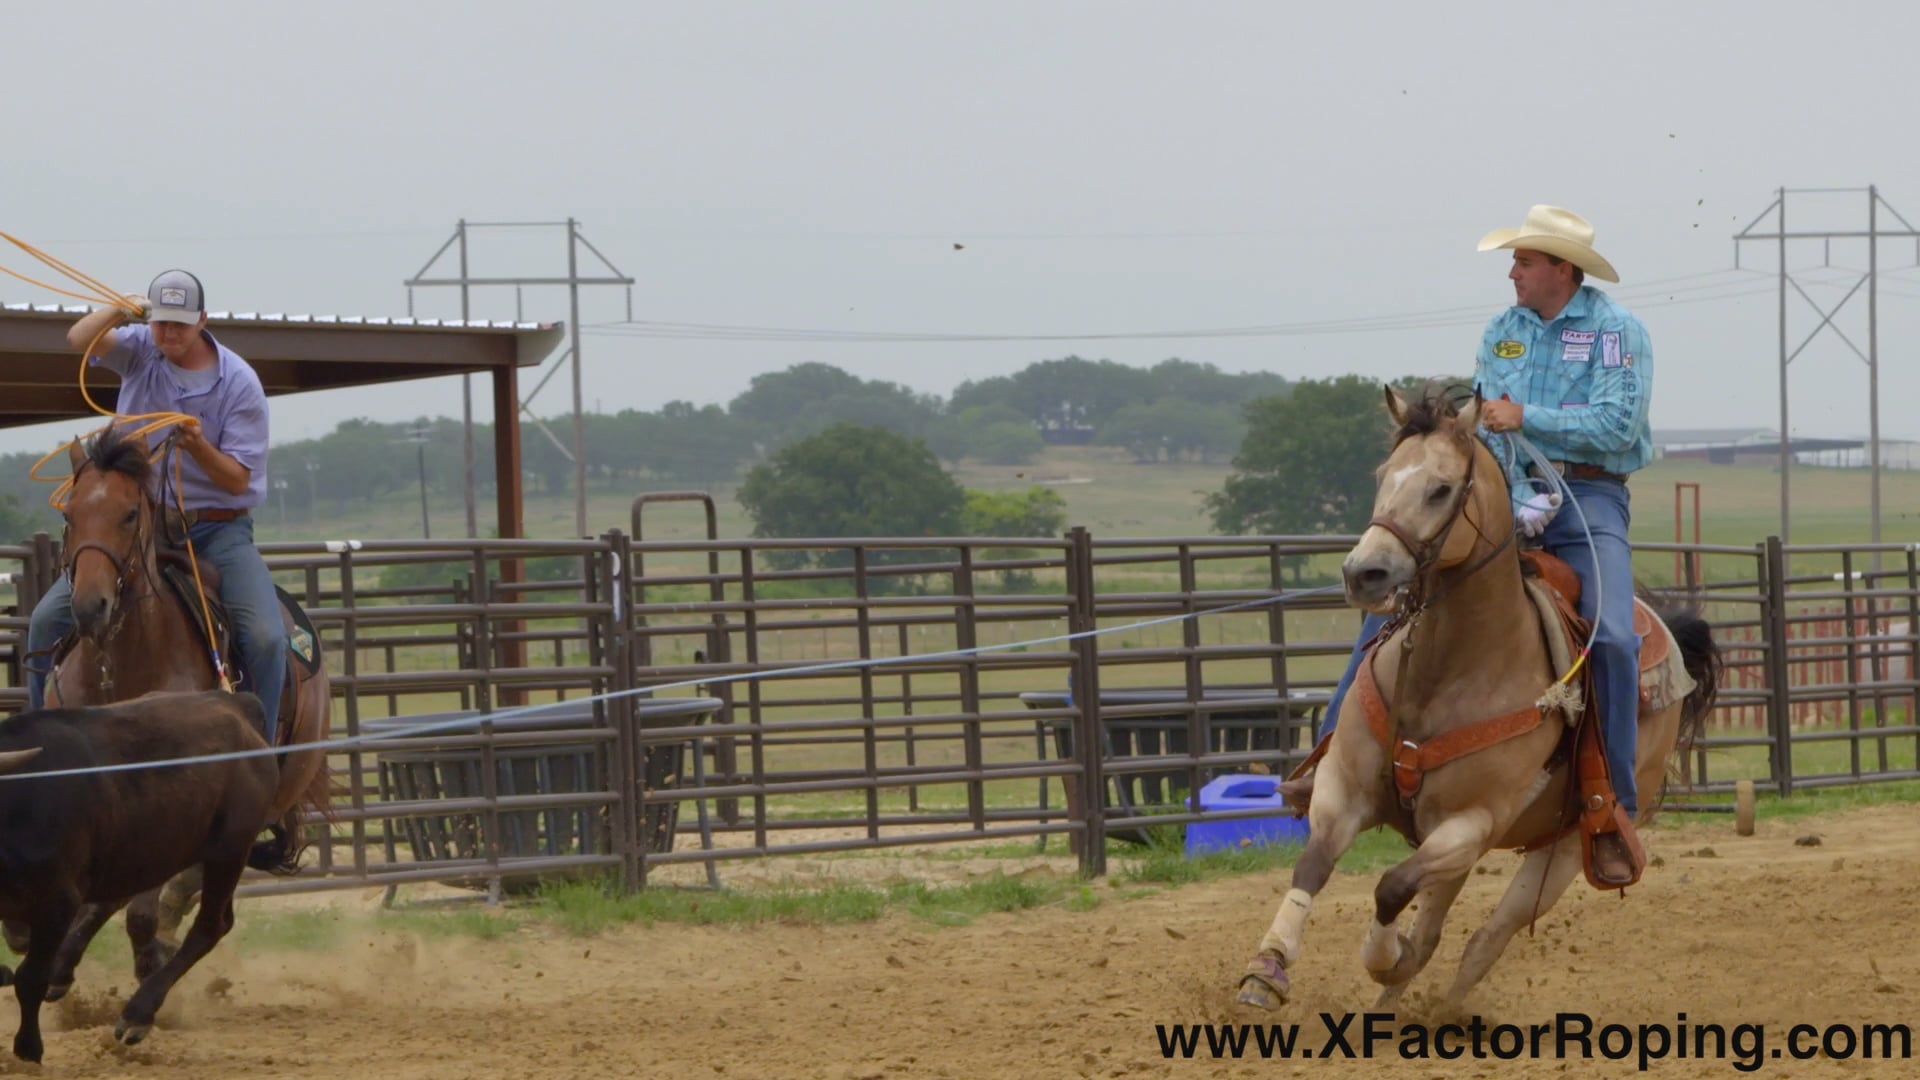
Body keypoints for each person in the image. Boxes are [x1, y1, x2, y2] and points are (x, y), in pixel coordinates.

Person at [1280, 205, 1652, 886]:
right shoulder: (1502, 333)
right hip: (1500, 498)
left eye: (1524, 261)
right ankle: (1329, 759)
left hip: (1590, 499)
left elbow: (1619, 424)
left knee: (1618, 637)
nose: (1513, 272)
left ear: (1560, 270)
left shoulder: (1616, 332)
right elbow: (1481, 425)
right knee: (1399, 609)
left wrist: (1526, 416)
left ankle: (1611, 806)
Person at [26, 269, 288, 743]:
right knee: (47, 620)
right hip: (138, 523)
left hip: (218, 531)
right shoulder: (140, 349)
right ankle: (40, 747)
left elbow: (237, 480)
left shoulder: (240, 384)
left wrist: (199, 447)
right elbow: (78, 338)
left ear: (203, 321)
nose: (168, 334)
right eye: (161, 322)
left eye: (179, 325)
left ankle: (261, 754)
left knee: (267, 639)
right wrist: (119, 309)